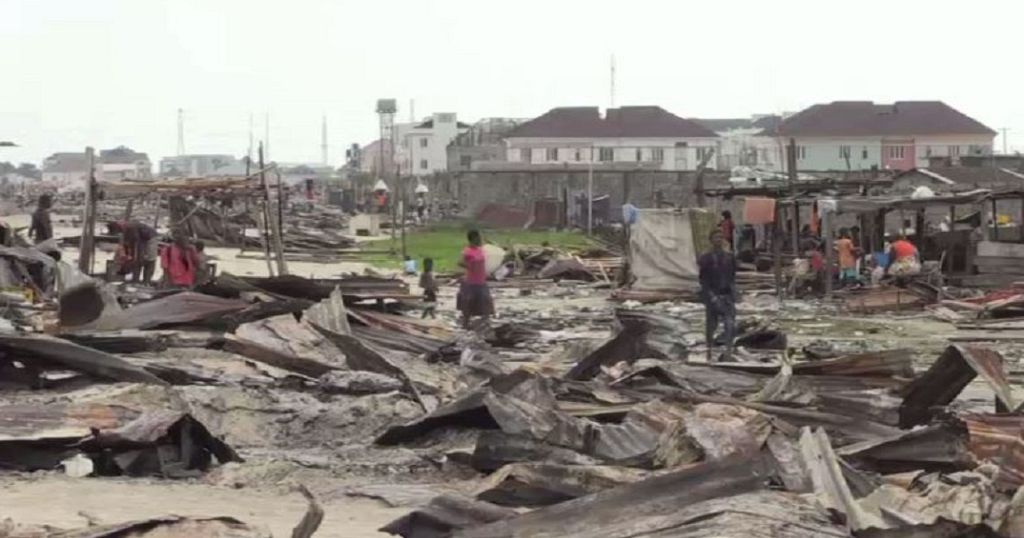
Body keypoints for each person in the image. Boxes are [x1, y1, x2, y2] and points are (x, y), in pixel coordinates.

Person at [698, 229, 737, 362]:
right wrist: (711, 296)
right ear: (711, 240)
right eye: (716, 238)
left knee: (730, 324)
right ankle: (709, 349)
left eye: (721, 237)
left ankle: (728, 350)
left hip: (727, 295)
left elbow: (732, 277)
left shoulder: (729, 257)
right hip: (712, 295)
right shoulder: (706, 258)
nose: (718, 240)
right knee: (711, 325)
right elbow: (703, 280)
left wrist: (734, 293)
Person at [456, 229, 493, 329]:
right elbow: (460, 262)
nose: (480, 239)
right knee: (469, 303)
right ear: (473, 239)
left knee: (486, 302)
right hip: (471, 281)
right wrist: (470, 266)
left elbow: (482, 262)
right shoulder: (467, 251)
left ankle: (486, 324)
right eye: (479, 238)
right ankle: (465, 324)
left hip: (482, 280)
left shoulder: (480, 249)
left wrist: (485, 272)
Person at [113, 220, 159, 284]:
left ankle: (146, 282)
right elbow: (128, 244)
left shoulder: (131, 228)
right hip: (142, 240)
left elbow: (137, 242)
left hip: (150, 238)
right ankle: (136, 281)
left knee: (149, 260)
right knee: (137, 260)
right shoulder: (126, 230)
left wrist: (138, 255)